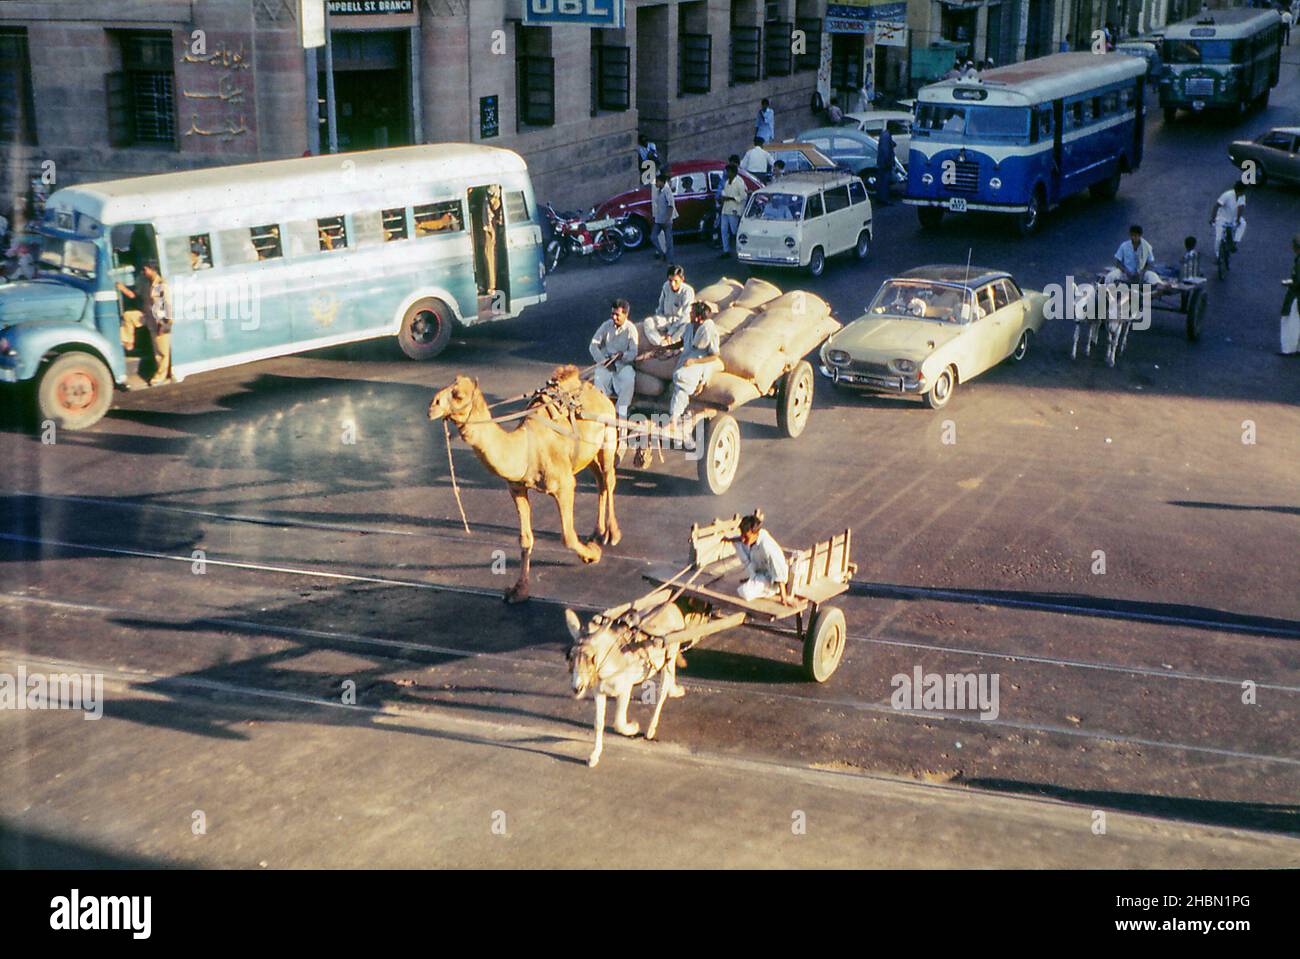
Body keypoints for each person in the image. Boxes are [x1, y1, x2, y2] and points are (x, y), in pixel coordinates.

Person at [590, 298, 640, 435]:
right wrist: (603, 361)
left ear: (626, 315)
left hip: (623, 365)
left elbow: (633, 353)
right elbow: (593, 345)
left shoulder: (631, 330)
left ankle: (620, 415)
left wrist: (622, 355)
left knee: (629, 379)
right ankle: (602, 414)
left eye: (617, 315)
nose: (614, 317)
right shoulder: (606, 325)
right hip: (607, 364)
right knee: (599, 377)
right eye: (612, 314)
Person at [118, 260, 173, 385]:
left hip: (159, 322)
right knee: (128, 316)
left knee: (161, 351)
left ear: (152, 269)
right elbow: (134, 295)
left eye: (145, 269)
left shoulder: (161, 284)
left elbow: (167, 305)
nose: (143, 272)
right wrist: (121, 288)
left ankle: (160, 376)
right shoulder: (146, 283)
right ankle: (128, 342)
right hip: (148, 317)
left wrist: (166, 323)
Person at [668, 301, 722, 424]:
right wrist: (667, 348)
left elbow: (714, 356)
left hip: (700, 363)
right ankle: (678, 414)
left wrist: (695, 362)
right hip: (686, 360)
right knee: (678, 379)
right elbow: (683, 342)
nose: (690, 315)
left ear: (698, 317)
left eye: (692, 313)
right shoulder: (689, 327)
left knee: (681, 379)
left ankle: (674, 417)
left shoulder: (709, 332)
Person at [728, 511, 790, 603]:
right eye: (742, 535)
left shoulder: (766, 546)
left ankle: (768, 592)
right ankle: (754, 580)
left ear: (755, 533)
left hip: (769, 579)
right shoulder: (752, 537)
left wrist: (783, 598)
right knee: (738, 544)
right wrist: (729, 539)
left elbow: (778, 569)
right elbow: (741, 538)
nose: (743, 539)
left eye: (746, 537)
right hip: (758, 572)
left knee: (744, 591)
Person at [644, 265, 695, 345]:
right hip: (666, 320)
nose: (672, 284)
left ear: (682, 279)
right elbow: (660, 307)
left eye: (675, 281)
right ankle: (661, 343)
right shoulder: (666, 286)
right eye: (670, 280)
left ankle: (672, 343)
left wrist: (670, 332)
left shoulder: (688, 291)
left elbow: (685, 316)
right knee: (648, 322)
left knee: (687, 326)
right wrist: (658, 318)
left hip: (679, 323)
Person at [1209, 182, 1246, 261]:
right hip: (1222, 218)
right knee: (1218, 238)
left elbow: (1241, 208)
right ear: (1238, 191)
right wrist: (1213, 218)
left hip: (1233, 218)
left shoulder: (1242, 196)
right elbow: (1216, 206)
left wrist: (1238, 220)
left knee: (1243, 224)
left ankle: (1234, 242)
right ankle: (1217, 256)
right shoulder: (1227, 195)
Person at [719, 164, 747, 258]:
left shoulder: (739, 182)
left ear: (733, 172)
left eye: (728, 171)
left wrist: (731, 198)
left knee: (734, 231)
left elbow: (743, 196)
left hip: (734, 209)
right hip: (725, 209)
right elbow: (724, 192)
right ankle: (726, 251)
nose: (726, 173)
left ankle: (739, 250)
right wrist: (723, 198)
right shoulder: (727, 182)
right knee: (723, 230)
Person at [650, 172, 676, 262]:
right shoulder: (659, 191)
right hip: (659, 219)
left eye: (657, 182)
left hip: (666, 220)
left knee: (669, 242)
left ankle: (670, 260)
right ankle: (662, 254)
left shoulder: (667, 191)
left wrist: (667, 219)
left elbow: (671, 206)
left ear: (661, 182)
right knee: (653, 237)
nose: (656, 184)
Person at [1280, 234, 1300, 355]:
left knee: (1289, 321)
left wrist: (1288, 283)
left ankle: (1288, 349)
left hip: (1296, 296)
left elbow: (1298, 281)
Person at [876, 127, 895, 205]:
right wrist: (887, 162)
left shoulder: (885, 135)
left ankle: (881, 198)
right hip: (885, 163)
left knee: (882, 181)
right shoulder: (886, 136)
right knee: (884, 182)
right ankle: (884, 199)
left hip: (882, 162)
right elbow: (885, 150)